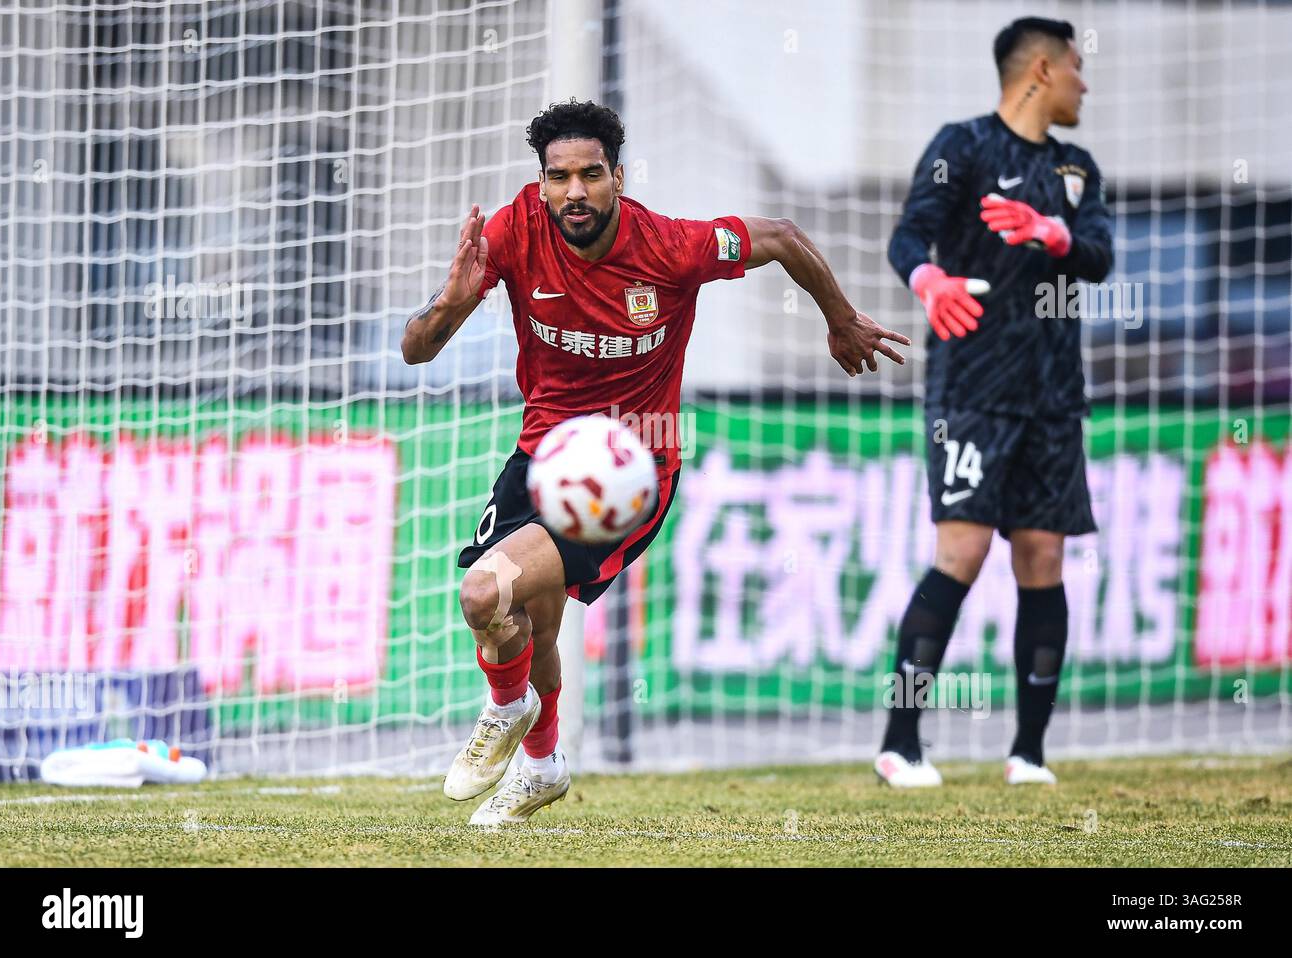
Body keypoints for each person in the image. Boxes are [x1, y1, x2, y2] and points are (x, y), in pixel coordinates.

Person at [402, 99, 909, 824]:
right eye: (558, 177)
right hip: (543, 458)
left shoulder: (671, 247)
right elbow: (415, 351)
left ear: (618, 176)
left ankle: (507, 707)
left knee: (484, 594)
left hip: (629, 472)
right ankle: (541, 765)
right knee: (532, 626)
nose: (574, 192)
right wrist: (450, 305)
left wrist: (840, 317)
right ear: (541, 184)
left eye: (590, 174)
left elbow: (781, 236)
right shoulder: (515, 231)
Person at [878, 17, 1113, 787]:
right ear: (1040, 70)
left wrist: (1054, 234)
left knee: (1043, 557)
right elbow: (908, 238)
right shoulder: (965, 146)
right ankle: (900, 745)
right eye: (1076, 66)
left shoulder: (1077, 169)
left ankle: (1029, 753)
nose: (1084, 83)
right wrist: (930, 281)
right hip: (972, 391)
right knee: (963, 553)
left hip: (1054, 396)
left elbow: (1100, 257)